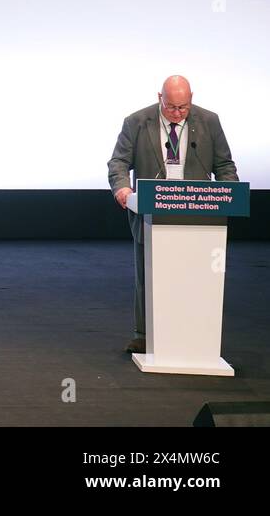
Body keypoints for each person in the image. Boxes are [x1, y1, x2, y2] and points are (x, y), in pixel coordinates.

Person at [107, 75, 238, 354]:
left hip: (199, 212)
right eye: (171, 107)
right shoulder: (137, 122)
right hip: (151, 211)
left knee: (194, 274)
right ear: (159, 98)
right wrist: (122, 188)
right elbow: (118, 161)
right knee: (149, 273)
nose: (178, 113)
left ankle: (195, 331)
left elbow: (224, 164)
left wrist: (231, 193)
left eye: (184, 107)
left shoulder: (209, 120)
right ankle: (144, 334)